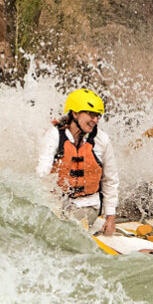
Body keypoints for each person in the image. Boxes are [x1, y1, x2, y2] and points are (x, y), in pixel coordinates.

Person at [36, 88, 119, 235]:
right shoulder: (54, 135)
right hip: (58, 203)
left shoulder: (102, 140)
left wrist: (110, 218)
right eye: (91, 115)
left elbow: (110, 180)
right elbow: (42, 172)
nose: (95, 120)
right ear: (75, 113)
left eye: (97, 116)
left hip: (87, 206)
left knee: (67, 228)